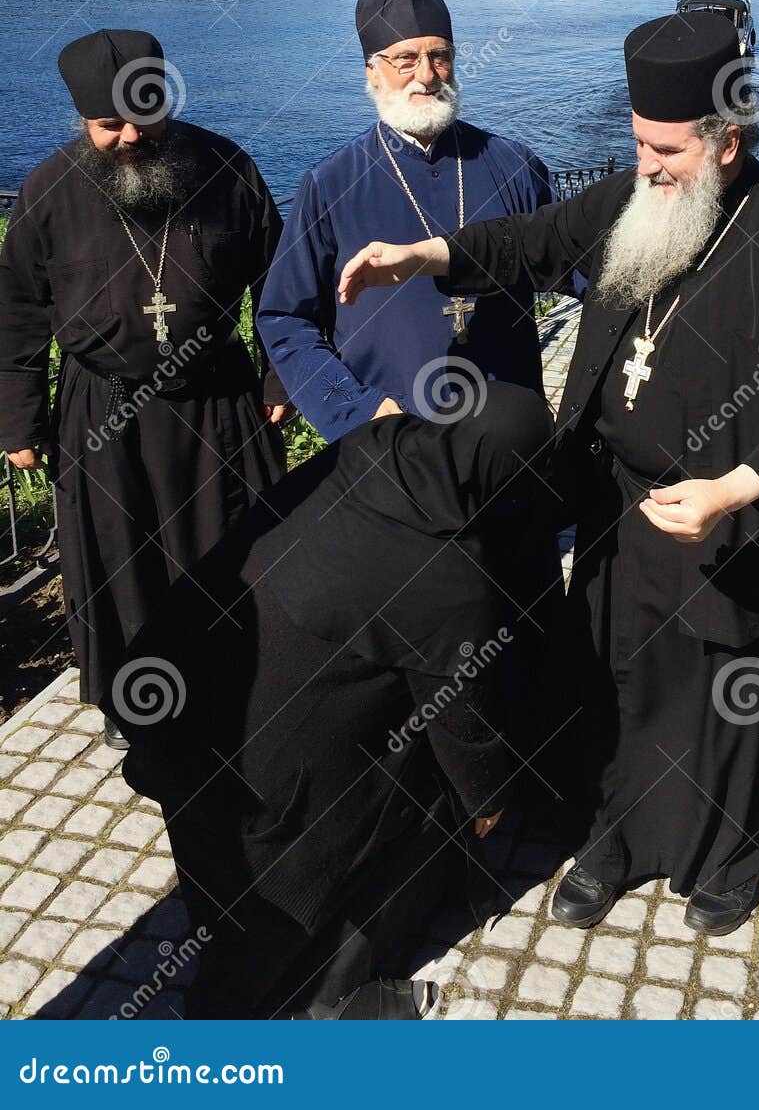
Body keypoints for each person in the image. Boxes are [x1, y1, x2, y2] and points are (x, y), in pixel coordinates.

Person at [338, 13, 759, 937]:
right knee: (618, 679)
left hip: (732, 520)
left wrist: (735, 488)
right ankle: (612, 838)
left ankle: (729, 856)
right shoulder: (629, 199)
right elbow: (530, 242)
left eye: (665, 151)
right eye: (639, 145)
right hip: (623, 503)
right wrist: (425, 257)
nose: (647, 166)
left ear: (727, 142)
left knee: (728, 693)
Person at [104, 384, 558, 1019]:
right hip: (267, 793)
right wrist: (487, 799)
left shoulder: (370, 447)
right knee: (274, 927)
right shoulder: (450, 576)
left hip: (181, 699)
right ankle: (319, 1003)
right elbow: (464, 722)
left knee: (218, 877)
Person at [0, 30, 289, 743]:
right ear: (82, 120)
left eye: (145, 114)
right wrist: (17, 421)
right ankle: (137, 699)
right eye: (110, 124)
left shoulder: (226, 168)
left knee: (231, 548)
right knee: (119, 560)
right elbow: (18, 312)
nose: (131, 136)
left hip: (218, 402)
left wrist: (279, 374)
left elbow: (279, 282)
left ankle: (237, 681)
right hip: (102, 408)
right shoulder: (46, 192)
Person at [257, 0, 553, 440]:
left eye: (440, 56)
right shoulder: (331, 183)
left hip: (508, 432)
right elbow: (286, 318)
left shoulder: (514, 165)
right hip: (389, 432)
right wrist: (357, 410)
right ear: (372, 71)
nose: (427, 75)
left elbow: (576, 267)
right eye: (406, 60)